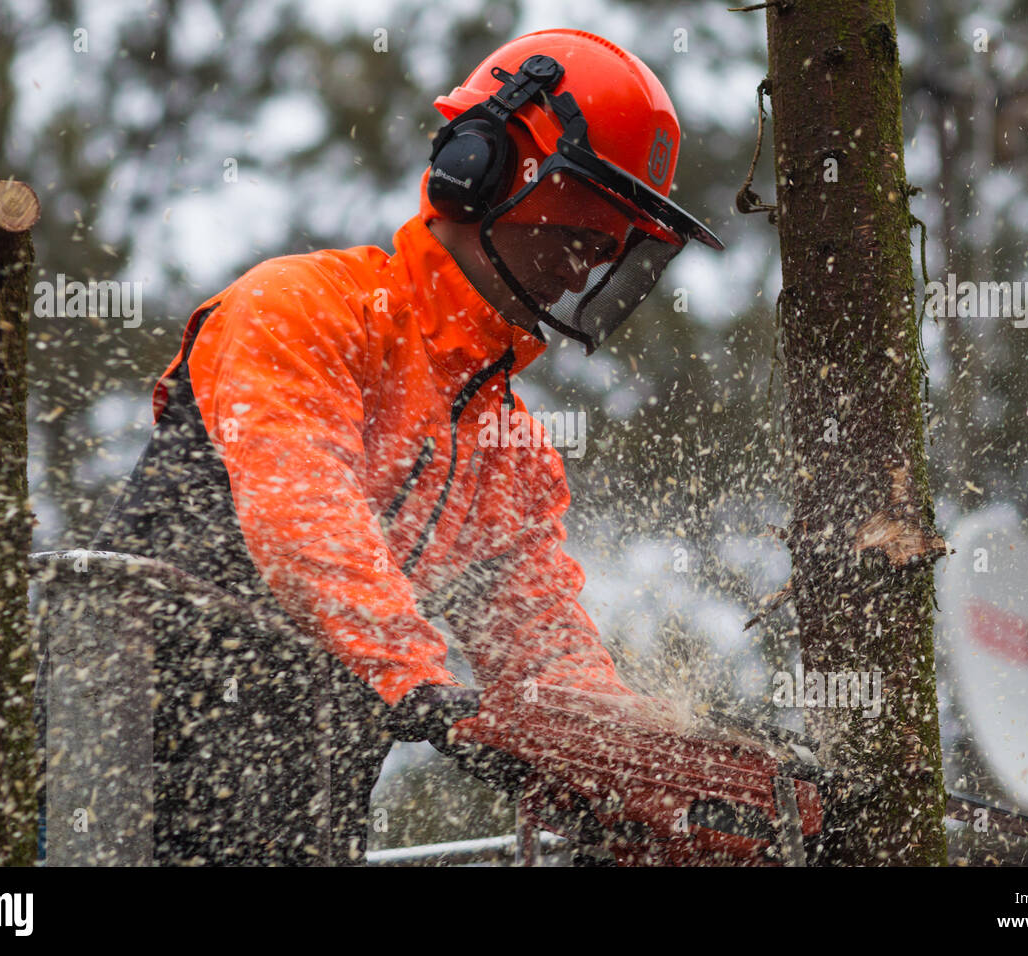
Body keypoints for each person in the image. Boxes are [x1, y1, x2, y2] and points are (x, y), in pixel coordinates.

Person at [89, 27, 724, 865]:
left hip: (300, 827)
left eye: (606, 251)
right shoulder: (303, 310)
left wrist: (649, 768)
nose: (580, 271)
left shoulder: (501, 442)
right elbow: (303, 513)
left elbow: (544, 649)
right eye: (580, 230)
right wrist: (423, 686)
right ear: (484, 168)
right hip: (110, 783)